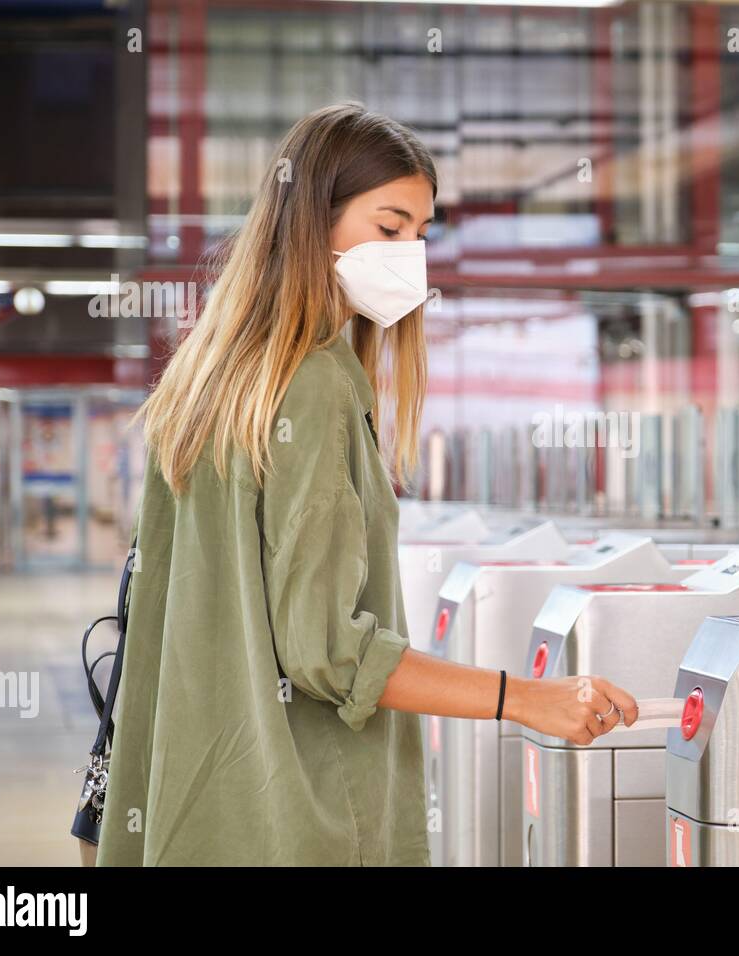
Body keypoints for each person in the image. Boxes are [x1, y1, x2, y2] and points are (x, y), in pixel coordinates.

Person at [97, 103, 637, 866]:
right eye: (389, 228)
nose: (409, 256)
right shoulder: (313, 386)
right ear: (311, 220)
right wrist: (533, 699)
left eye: (420, 234)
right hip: (297, 817)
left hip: (195, 814)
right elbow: (330, 652)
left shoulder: (208, 380)